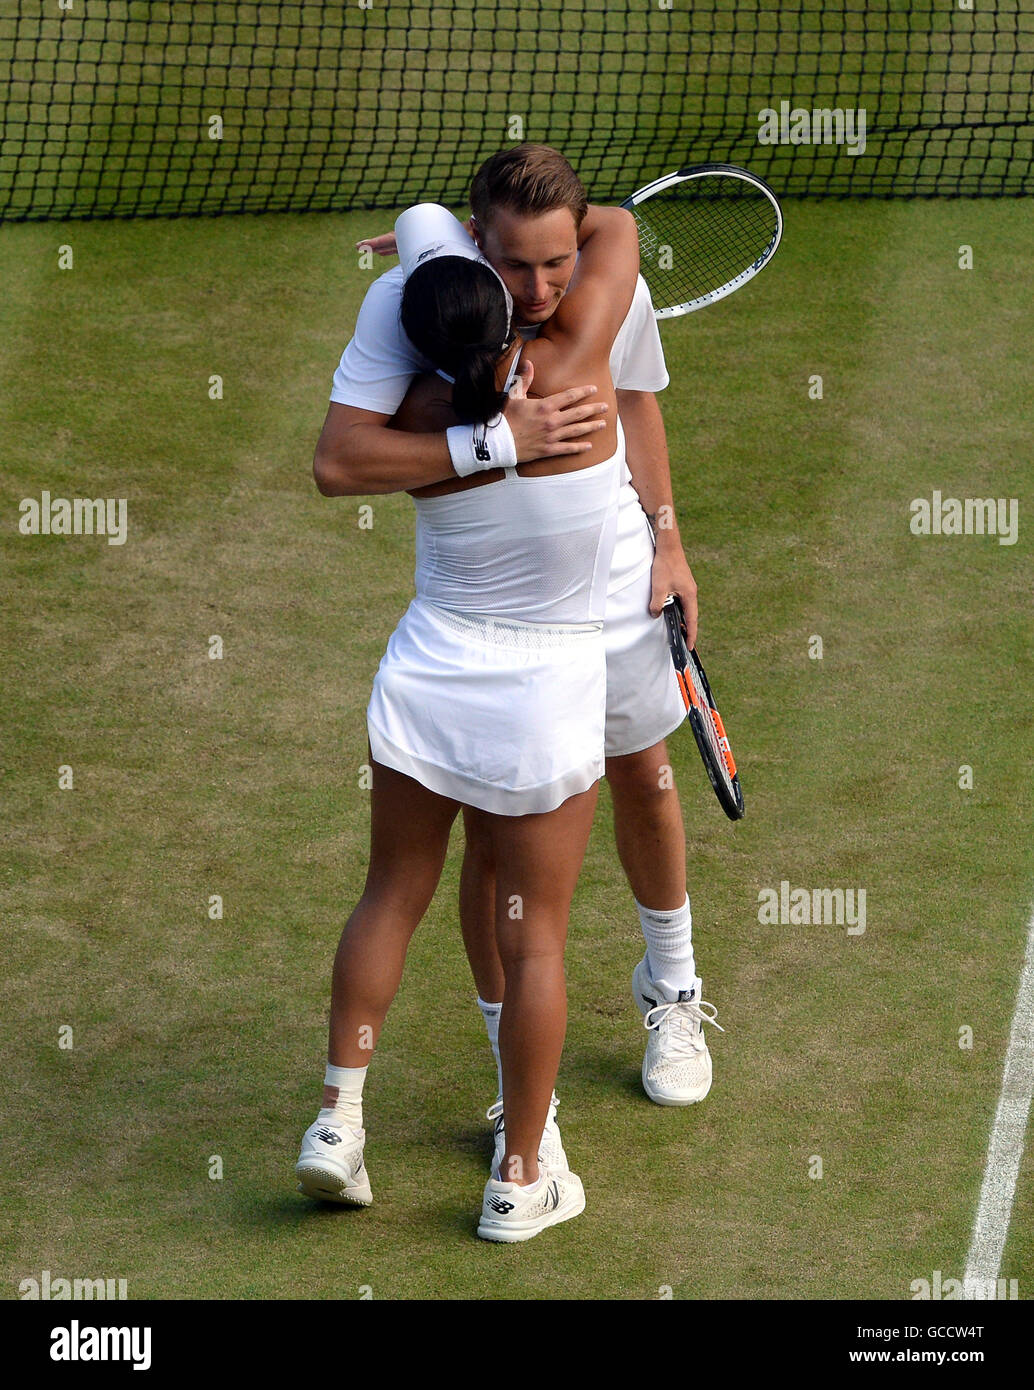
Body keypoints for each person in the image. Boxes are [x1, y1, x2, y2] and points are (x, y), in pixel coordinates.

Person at [313, 147, 723, 1136]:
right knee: (496, 857)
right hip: (514, 632)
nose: (538, 289)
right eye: (511, 266)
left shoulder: (574, 297)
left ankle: (672, 990)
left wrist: (667, 539)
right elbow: (344, 457)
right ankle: (519, 1081)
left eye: (553, 262)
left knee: (645, 780)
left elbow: (634, 403)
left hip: (617, 591)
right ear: (474, 242)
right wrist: (433, 248)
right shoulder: (430, 314)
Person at [296, 200, 641, 1241]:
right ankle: (518, 1178)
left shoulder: (409, 410)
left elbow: (337, 459)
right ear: (501, 280)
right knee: (533, 944)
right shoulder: (578, 373)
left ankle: (335, 1120)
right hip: (542, 698)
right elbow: (616, 227)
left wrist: (480, 435)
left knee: (391, 894)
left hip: (426, 677)